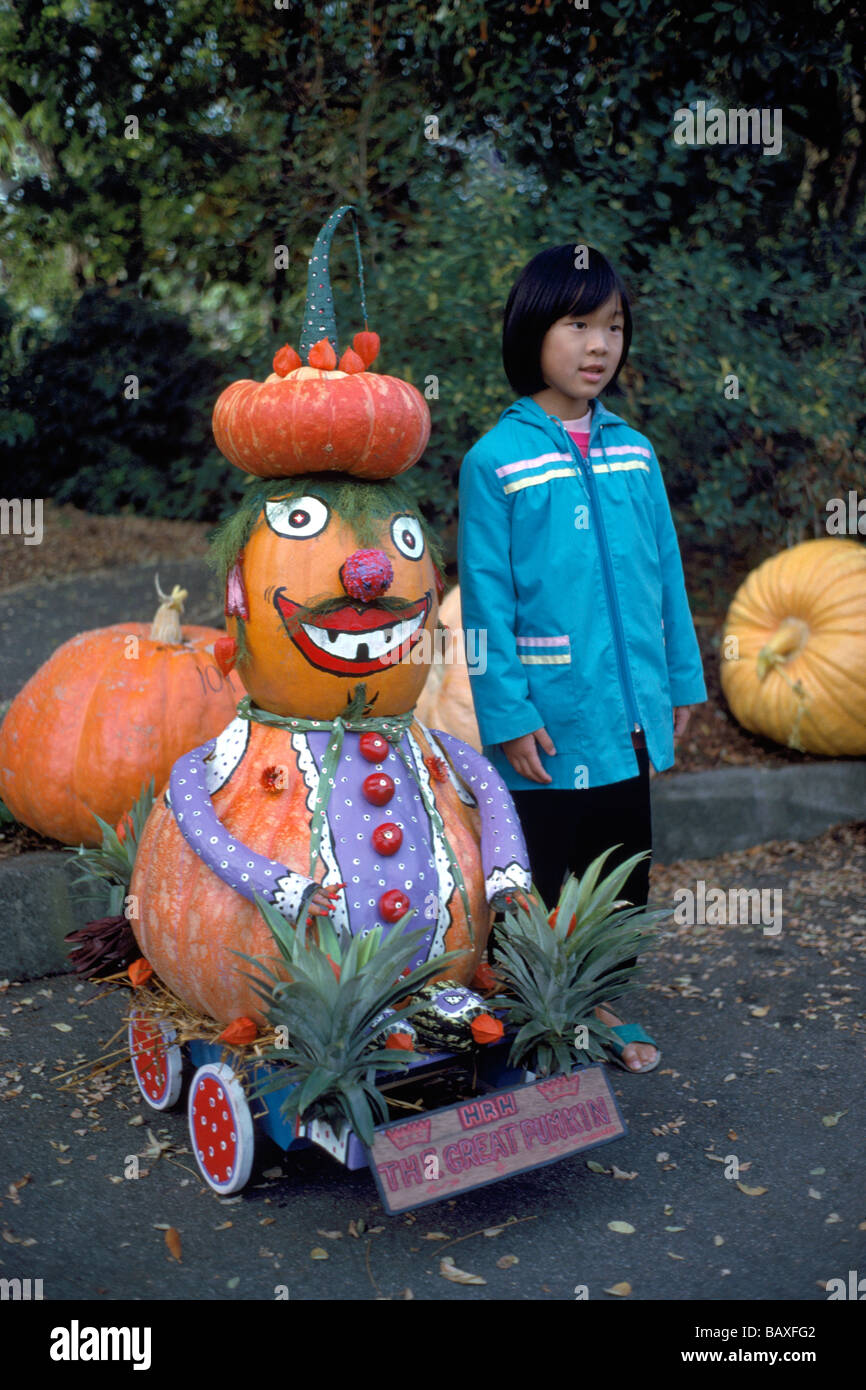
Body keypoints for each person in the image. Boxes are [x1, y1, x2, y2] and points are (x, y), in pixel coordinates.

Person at [457, 242, 707, 1073]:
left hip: (627, 708)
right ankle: (532, 1013)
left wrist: (680, 679)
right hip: (549, 719)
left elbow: (665, 572)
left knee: (620, 872)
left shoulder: (634, 452)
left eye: (614, 327)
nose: (599, 345)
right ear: (534, 330)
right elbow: (485, 605)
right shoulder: (496, 462)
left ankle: (599, 1004)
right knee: (543, 875)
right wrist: (509, 711)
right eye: (578, 324)